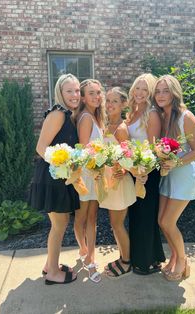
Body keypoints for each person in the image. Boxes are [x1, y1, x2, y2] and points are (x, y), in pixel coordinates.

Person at [28, 73, 80, 285]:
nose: (75, 95)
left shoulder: (67, 114)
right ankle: (52, 273)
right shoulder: (58, 114)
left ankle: (51, 264)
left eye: (77, 90)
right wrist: (61, 164)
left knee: (59, 223)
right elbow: (41, 148)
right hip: (52, 177)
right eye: (69, 91)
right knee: (59, 224)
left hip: (57, 175)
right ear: (60, 92)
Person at [152, 74, 195, 281]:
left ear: (174, 93)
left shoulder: (185, 116)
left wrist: (176, 163)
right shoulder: (162, 117)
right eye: (158, 91)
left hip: (183, 176)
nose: (161, 95)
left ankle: (182, 261)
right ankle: (174, 258)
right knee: (161, 221)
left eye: (165, 91)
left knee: (168, 221)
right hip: (168, 176)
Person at [126, 73, 166, 275]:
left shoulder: (151, 114)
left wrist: (143, 171)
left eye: (144, 89)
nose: (139, 92)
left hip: (147, 172)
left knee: (145, 216)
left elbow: (153, 149)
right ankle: (139, 257)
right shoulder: (132, 111)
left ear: (150, 93)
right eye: (137, 88)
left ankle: (147, 261)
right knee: (135, 215)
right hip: (133, 171)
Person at [100, 87, 136, 278]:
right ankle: (122, 256)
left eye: (115, 101)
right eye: (108, 100)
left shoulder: (121, 129)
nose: (110, 105)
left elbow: (128, 158)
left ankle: (126, 262)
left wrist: (123, 168)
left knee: (117, 224)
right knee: (114, 224)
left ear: (123, 104)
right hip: (108, 182)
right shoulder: (107, 125)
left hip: (119, 184)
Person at [73, 79, 105, 283]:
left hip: (96, 174)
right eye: (91, 93)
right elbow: (82, 150)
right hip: (86, 175)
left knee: (92, 218)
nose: (96, 96)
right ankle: (85, 251)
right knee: (81, 218)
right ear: (83, 97)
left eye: (98, 92)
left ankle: (90, 255)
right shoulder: (85, 117)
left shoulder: (96, 117)